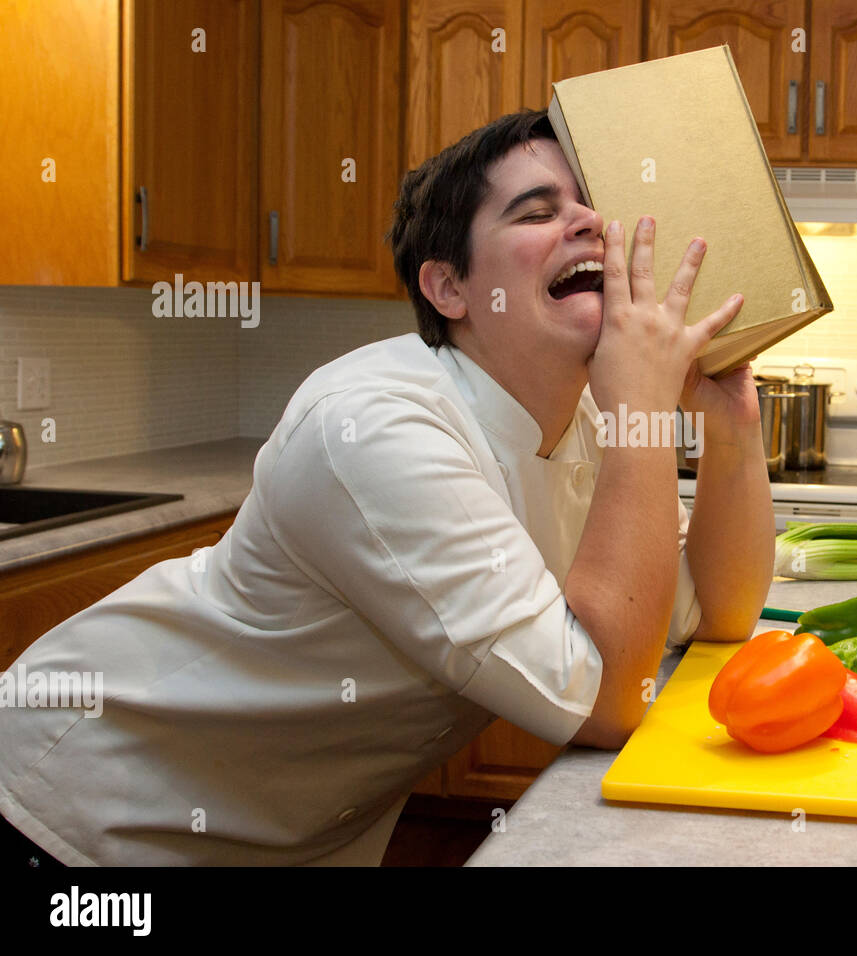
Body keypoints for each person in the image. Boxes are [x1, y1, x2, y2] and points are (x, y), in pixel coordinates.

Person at [0, 109, 774, 865]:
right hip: (76, 813)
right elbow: (604, 703)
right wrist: (641, 404)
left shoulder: (587, 425)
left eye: (589, 206)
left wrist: (734, 431)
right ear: (447, 287)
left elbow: (715, 610)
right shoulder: (374, 427)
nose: (589, 226)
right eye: (537, 210)